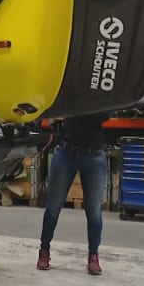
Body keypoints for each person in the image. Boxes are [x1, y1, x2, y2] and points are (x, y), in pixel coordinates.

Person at [37, 112, 110, 275]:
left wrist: (81, 111)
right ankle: (44, 250)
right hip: (66, 151)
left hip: (94, 153)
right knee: (53, 206)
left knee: (94, 210)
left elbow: (106, 114)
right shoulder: (75, 89)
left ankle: (93, 256)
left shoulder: (98, 90)